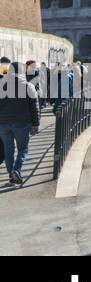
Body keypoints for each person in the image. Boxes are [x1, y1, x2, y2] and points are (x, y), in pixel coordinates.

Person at [0, 57, 41, 187]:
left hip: (3, 123)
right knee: (23, 148)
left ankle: (11, 175)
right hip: (23, 123)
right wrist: (36, 124)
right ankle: (16, 170)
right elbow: (34, 107)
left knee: (8, 151)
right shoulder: (29, 86)